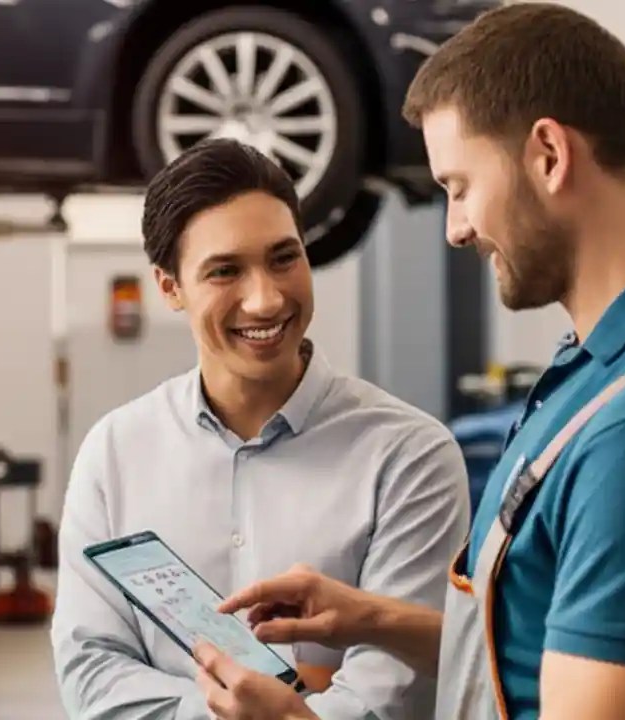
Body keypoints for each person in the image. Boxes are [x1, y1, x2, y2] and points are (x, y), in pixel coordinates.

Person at [191, 4, 625, 720]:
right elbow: (539, 658)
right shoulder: (603, 370)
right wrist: (370, 620)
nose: (455, 228)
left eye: (459, 186)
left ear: (548, 154)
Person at [50, 138, 472, 720]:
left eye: (283, 258)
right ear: (170, 287)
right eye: (225, 271)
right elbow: (92, 672)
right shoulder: (115, 453)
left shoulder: (409, 455)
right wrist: (264, 708)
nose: (266, 299)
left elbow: (394, 689)